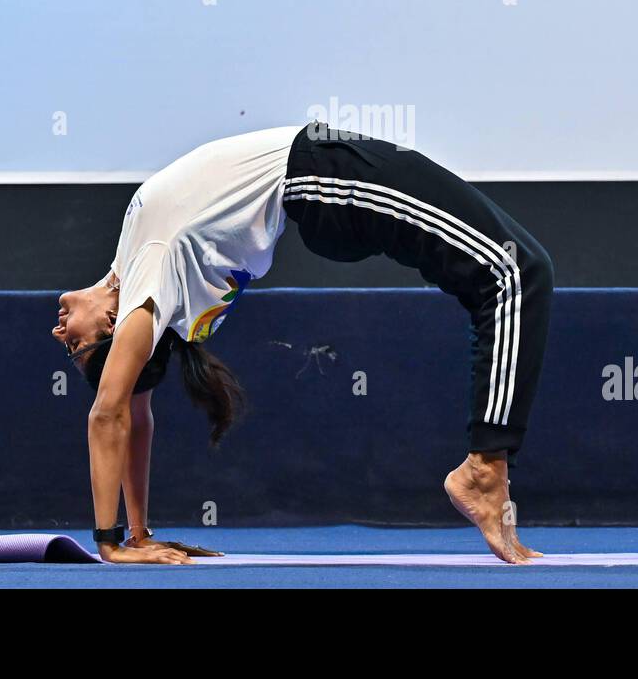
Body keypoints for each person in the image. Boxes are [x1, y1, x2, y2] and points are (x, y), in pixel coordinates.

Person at [52, 123, 554, 565]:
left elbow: (135, 414)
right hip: (322, 174)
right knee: (515, 271)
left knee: (508, 272)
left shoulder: (134, 265)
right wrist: (110, 542)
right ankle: (485, 468)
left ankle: (487, 464)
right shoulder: (151, 274)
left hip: (324, 174)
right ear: (114, 325)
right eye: (73, 350)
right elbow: (110, 412)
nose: (59, 334)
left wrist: (138, 533)